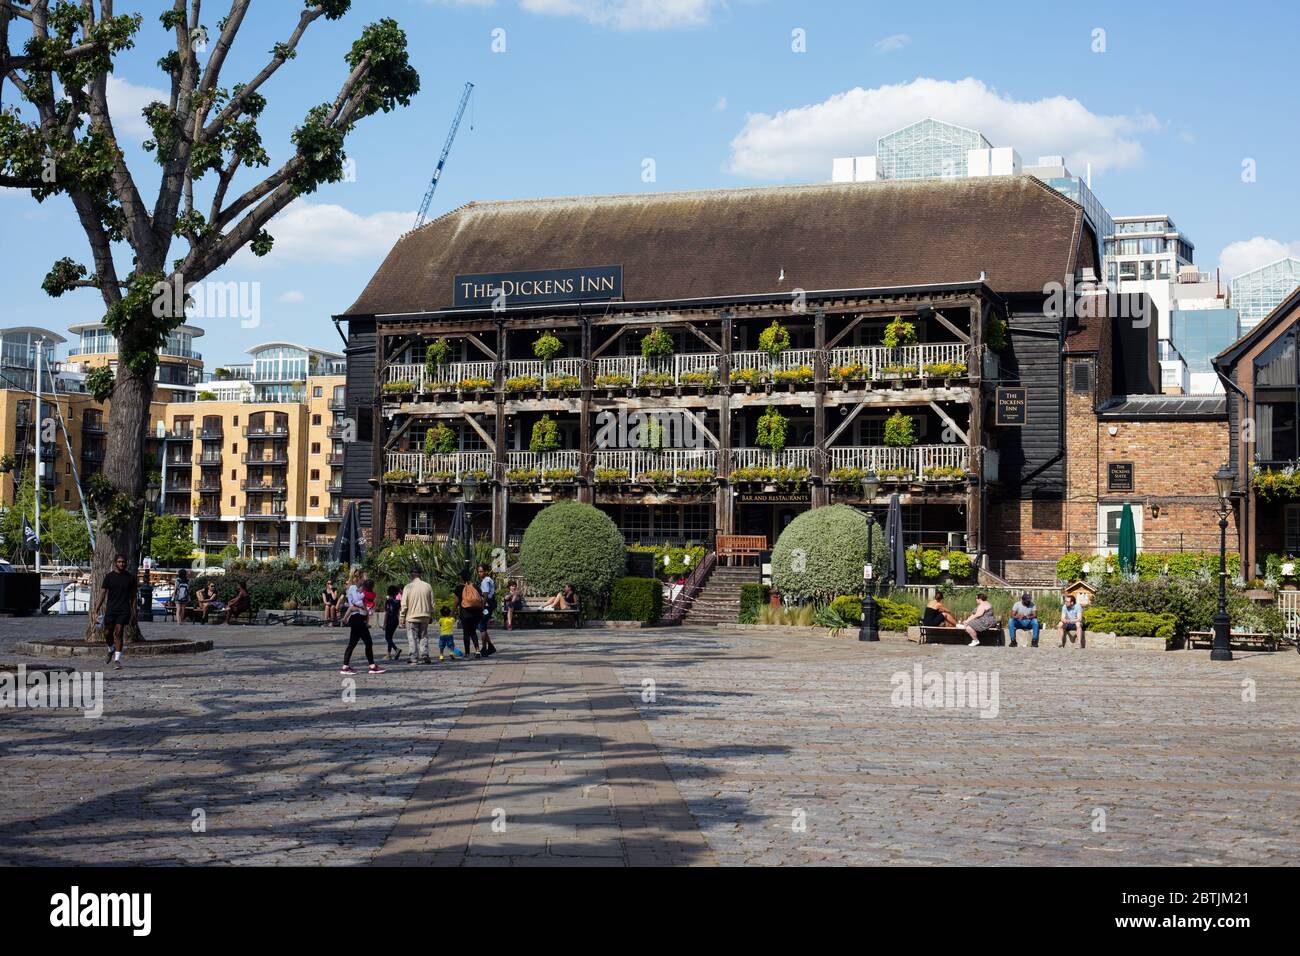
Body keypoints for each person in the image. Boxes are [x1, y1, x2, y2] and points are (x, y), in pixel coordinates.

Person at [94, 553, 136, 671]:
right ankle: (110, 648)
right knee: (108, 632)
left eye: (123, 562)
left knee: (119, 632)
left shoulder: (130, 578)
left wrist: (134, 613)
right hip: (111, 609)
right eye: (119, 562)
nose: (121, 564)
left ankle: (117, 659)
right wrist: (96, 610)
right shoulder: (109, 577)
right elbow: (102, 593)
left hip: (124, 609)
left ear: (126, 563)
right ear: (115, 563)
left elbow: (133, 597)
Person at [341, 568, 384, 675]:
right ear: (359, 578)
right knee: (366, 642)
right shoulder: (353, 587)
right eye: (364, 578)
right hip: (357, 618)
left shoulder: (358, 588)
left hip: (360, 618)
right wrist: (366, 606)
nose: (365, 580)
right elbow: (357, 601)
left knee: (356, 642)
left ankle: (347, 666)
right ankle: (371, 666)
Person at [399, 566, 434, 664]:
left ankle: (413, 657)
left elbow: (404, 604)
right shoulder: (428, 586)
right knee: (423, 636)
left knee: (412, 637)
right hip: (425, 616)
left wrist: (402, 616)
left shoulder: (408, 587)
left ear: (411, 575)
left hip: (412, 616)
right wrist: (430, 614)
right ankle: (425, 655)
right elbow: (432, 603)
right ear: (420, 574)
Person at [454, 570, 485, 658]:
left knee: (466, 632)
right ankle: (477, 650)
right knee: (473, 632)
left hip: (465, 613)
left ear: (462, 578)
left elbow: (456, 602)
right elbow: (481, 598)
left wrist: (452, 613)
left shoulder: (459, 588)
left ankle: (467, 653)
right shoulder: (475, 586)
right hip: (477, 613)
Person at [476, 563, 498, 657]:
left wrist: (482, 606)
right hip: (488, 605)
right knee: (482, 627)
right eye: (478, 571)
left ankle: (484, 648)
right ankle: (490, 646)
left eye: (481, 571)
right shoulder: (489, 580)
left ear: (486, 571)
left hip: (486, 606)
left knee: (482, 627)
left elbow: (485, 595)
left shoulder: (486, 581)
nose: (479, 573)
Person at [382, 585, 403, 661]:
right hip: (395, 620)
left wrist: (384, 624)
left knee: (387, 637)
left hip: (390, 619)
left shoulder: (388, 601)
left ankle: (396, 649)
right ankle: (388, 654)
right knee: (390, 637)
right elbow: (399, 611)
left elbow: (387, 613)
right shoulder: (398, 602)